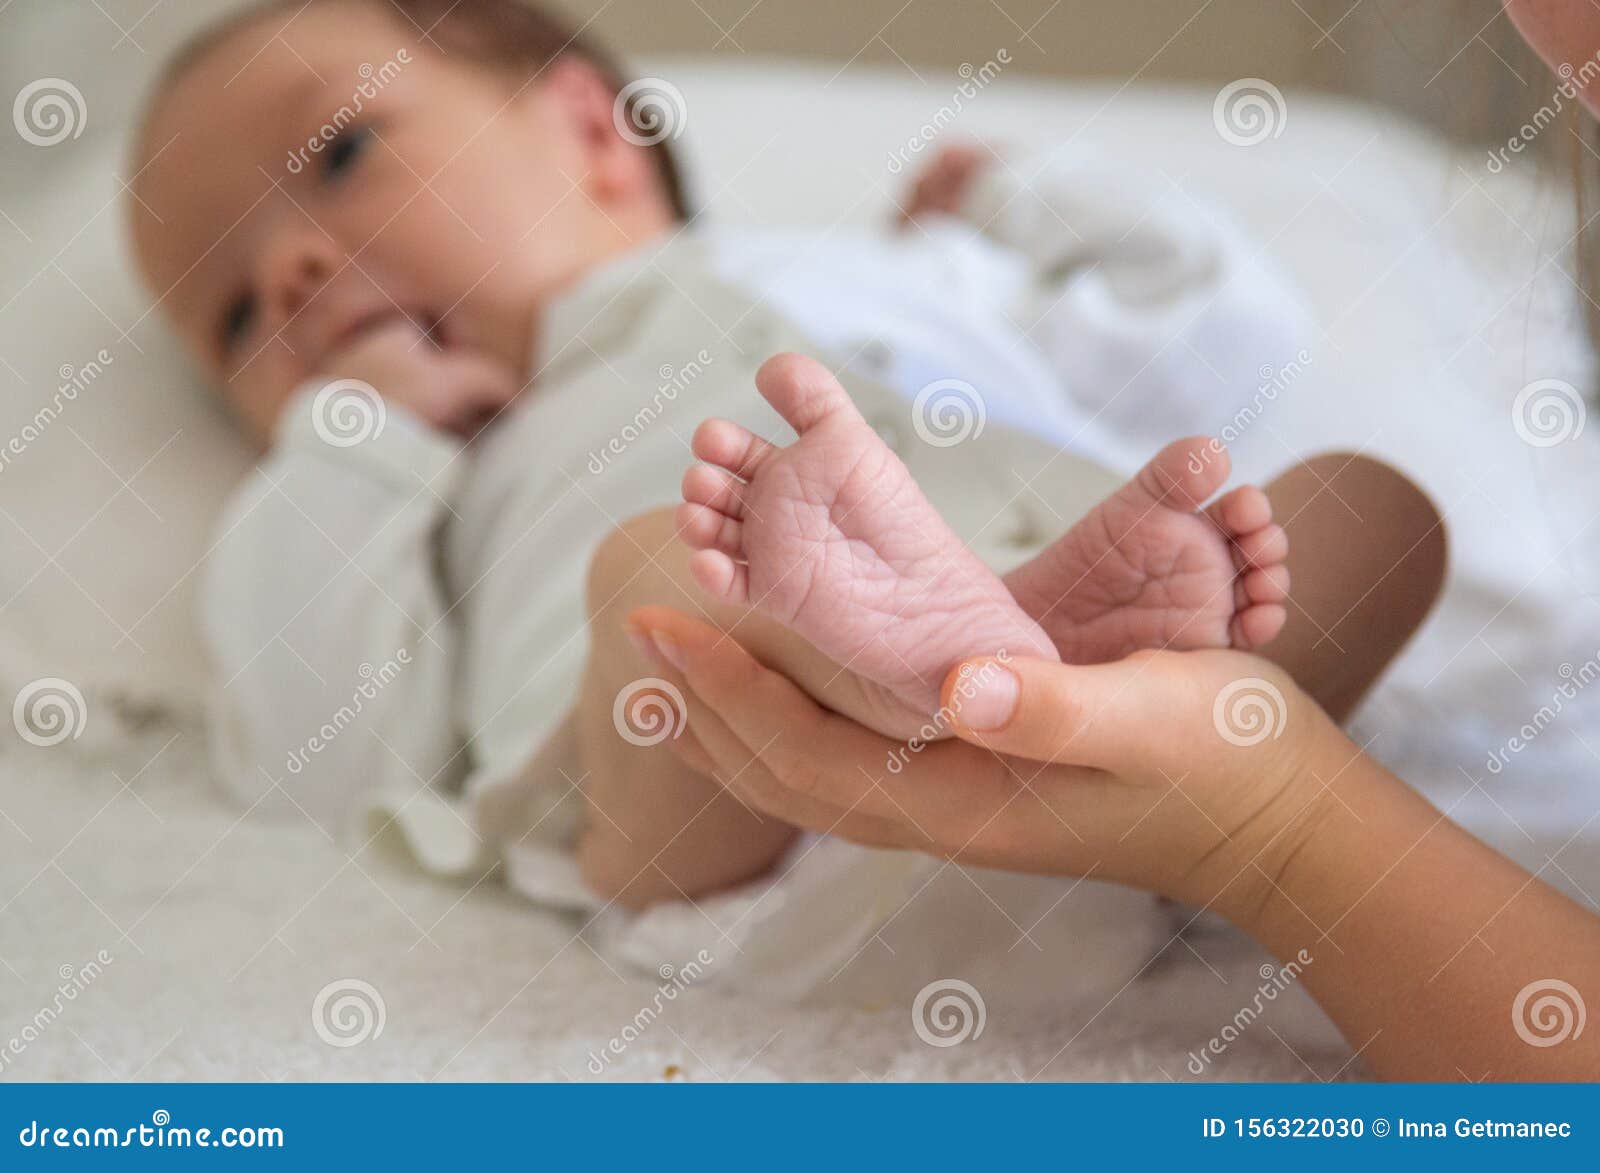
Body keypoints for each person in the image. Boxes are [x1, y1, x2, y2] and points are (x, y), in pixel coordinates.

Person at [128, 0, 1392, 945]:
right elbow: (320, 767)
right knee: (674, 573)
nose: (290, 274)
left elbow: (1224, 331)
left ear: (589, 131)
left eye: (339, 157)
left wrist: (1017, 196)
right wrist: (358, 441)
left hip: (1119, 808)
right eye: (232, 315)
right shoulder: (434, 483)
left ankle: (1121, 701)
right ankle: (961, 677)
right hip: (740, 830)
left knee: (1375, 508)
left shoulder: (896, 274)